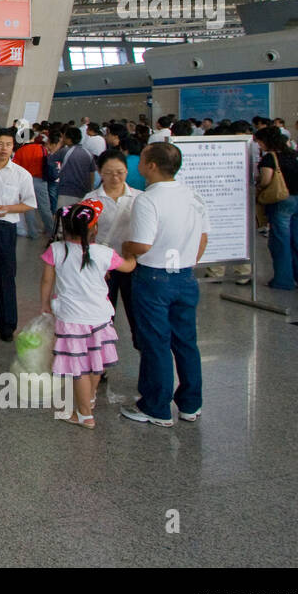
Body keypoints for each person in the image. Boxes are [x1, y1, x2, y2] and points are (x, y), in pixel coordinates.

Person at [121, 142, 209, 427]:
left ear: (152, 166)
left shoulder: (148, 199)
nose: (139, 165)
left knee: (156, 342)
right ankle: (190, 404)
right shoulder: (192, 195)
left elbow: (143, 245)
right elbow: (203, 237)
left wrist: (125, 246)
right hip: (185, 275)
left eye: (143, 160)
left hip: (154, 279)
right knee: (186, 341)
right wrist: (186, 261)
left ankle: (155, 407)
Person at [40, 200, 136, 429]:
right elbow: (128, 267)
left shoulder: (56, 250)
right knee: (95, 362)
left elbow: (46, 280)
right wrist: (133, 254)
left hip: (72, 319)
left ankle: (84, 415)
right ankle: (89, 401)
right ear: (94, 229)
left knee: (78, 368)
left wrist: (44, 304)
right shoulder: (104, 253)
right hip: (101, 319)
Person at [0, 128, 37, 343]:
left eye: (9, 144)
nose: (4, 149)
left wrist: (10, 209)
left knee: (5, 278)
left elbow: (30, 203)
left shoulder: (21, 174)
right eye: (0, 144)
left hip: (5, 228)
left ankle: (6, 325)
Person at [254, 126, 298, 292]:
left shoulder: (270, 158)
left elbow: (266, 180)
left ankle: (283, 280)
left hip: (283, 201)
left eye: (260, 142)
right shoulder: (296, 154)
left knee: (281, 240)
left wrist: (257, 186)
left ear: (266, 141)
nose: (259, 146)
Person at [90, 149, 141, 347]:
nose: (115, 177)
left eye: (120, 172)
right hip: (103, 268)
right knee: (102, 316)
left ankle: (143, 352)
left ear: (127, 172)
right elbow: (84, 238)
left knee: (137, 314)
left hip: (131, 264)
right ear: (100, 172)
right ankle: (100, 360)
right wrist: (95, 264)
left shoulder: (139, 198)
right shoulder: (91, 199)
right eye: (109, 172)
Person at [51, 127, 95, 211]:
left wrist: (59, 144)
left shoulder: (65, 151)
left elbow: (50, 158)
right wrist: (90, 189)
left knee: (62, 219)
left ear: (68, 139)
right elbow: (92, 173)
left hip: (66, 191)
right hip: (84, 193)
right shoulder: (88, 153)